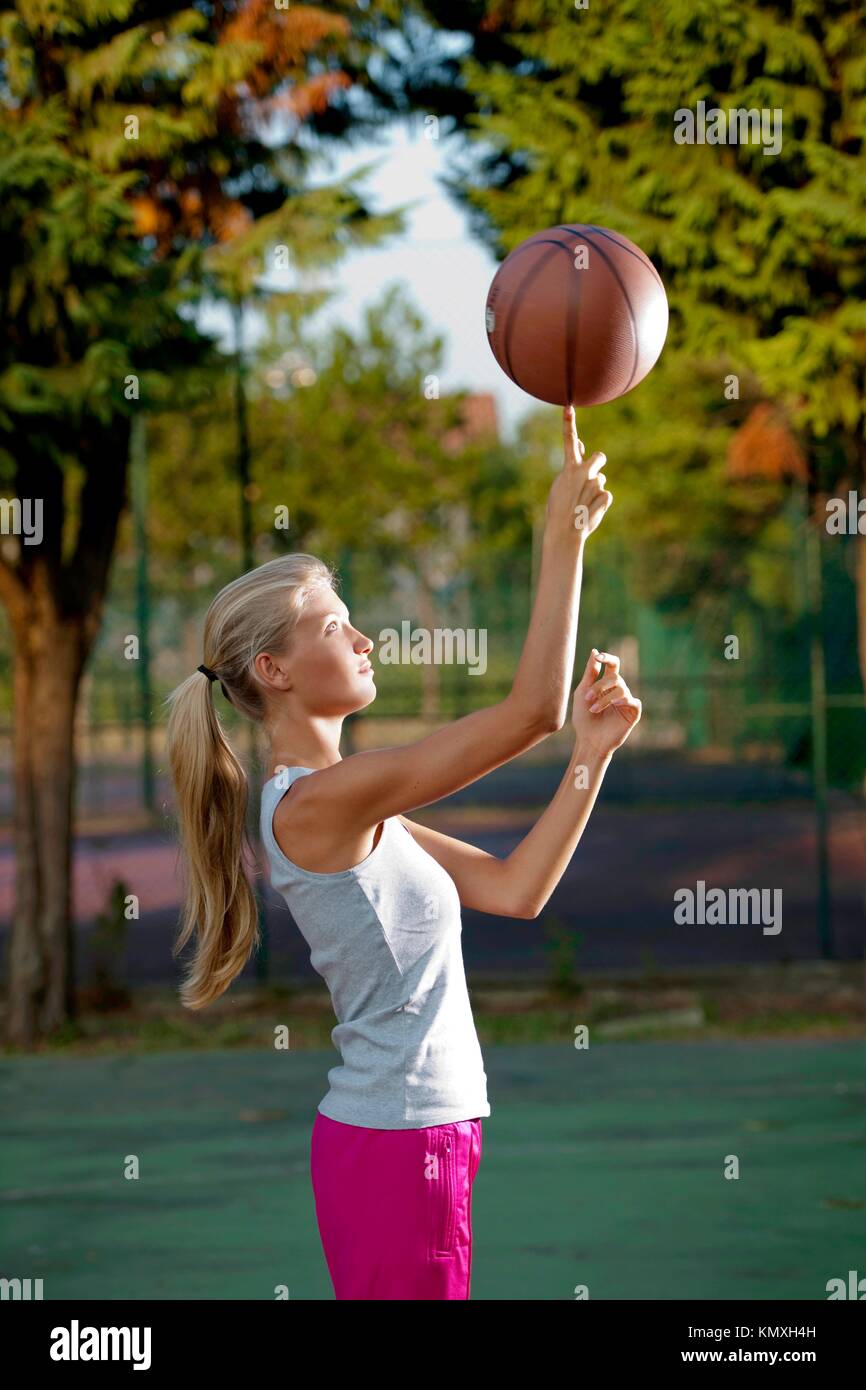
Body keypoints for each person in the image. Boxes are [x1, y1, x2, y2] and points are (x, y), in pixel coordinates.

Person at [163, 405, 641, 1300]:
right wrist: (561, 538)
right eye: (335, 625)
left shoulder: (353, 805)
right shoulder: (320, 803)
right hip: (398, 1143)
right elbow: (530, 708)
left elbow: (516, 889)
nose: (363, 636)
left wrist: (590, 755)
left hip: (420, 1133)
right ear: (275, 669)